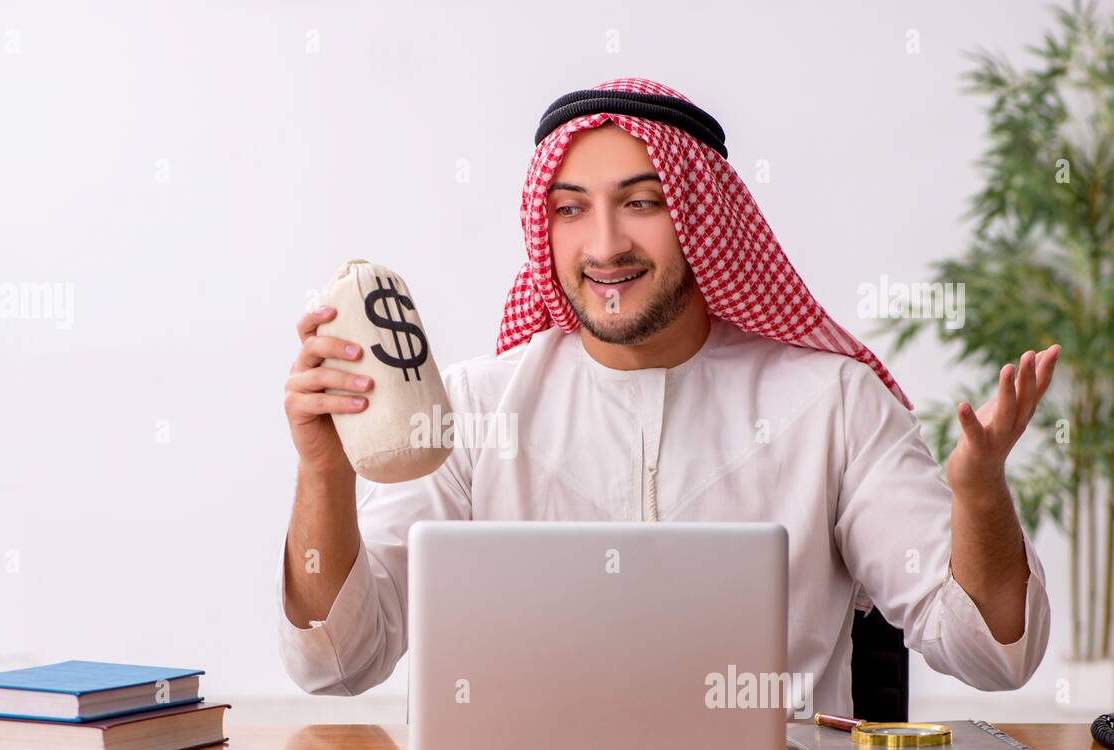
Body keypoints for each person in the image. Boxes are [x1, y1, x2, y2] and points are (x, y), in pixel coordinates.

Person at [276, 77, 1058, 715]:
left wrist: (980, 498)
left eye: (642, 202)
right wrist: (325, 472)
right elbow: (341, 662)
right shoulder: (474, 411)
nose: (606, 243)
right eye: (571, 208)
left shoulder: (835, 402)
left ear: (700, 217)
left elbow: (989, 653)